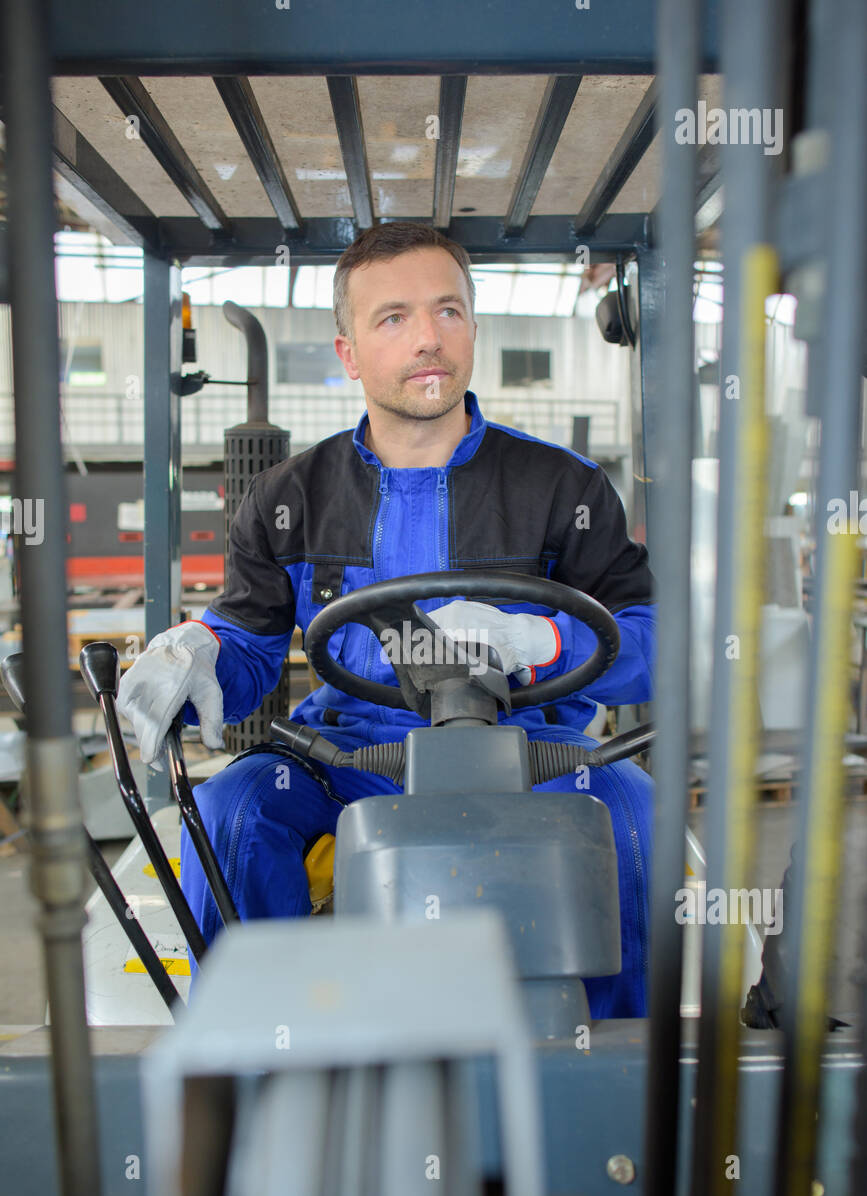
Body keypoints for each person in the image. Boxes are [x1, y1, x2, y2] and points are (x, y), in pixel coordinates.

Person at [118, 221, 655, 1017]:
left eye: (448, 311)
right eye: (393, 318)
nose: (428, 339)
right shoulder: (286, 501)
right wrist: (198, 648)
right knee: (234, 810)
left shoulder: (563, 489)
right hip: (348, 750)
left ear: (473, 325)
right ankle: (257, 1051)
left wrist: (541, 640)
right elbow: (249, 639)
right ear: (348, 353)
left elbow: (646, 639)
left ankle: (612, 1066)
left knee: (631, 816)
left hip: (532, 750)